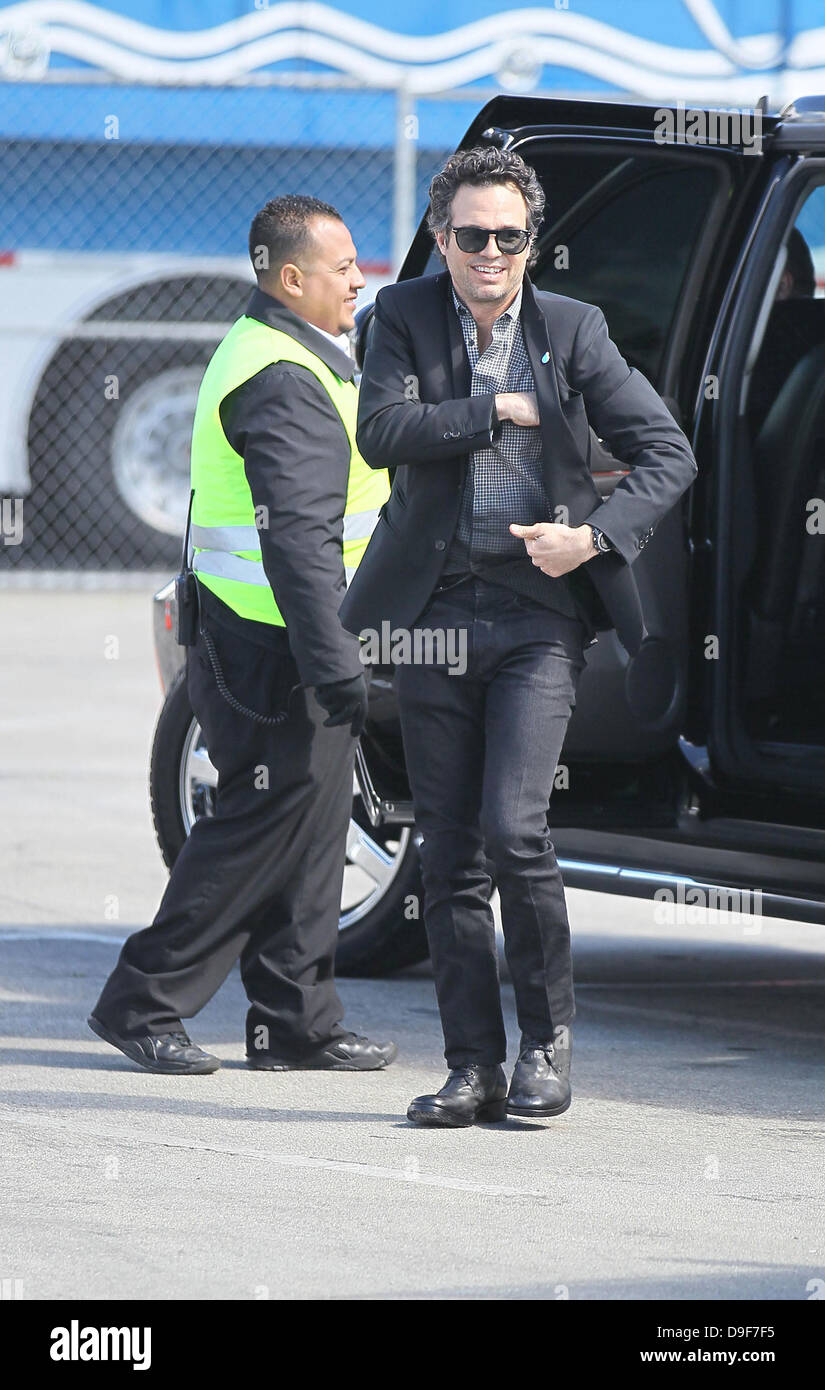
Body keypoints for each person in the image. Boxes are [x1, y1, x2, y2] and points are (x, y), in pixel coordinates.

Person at [340, 147, 697, 1127]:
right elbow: (383, 433)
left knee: (514, 829)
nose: (488, 252)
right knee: (447, 850)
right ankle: (472, 1066)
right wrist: (488, 410)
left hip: (537, 618)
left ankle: (547, 1044)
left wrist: (591, 538)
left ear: (533, 243)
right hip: (434, 615)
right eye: (469, 235)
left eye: (507, 236)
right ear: (443, 239)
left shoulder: (573, 329)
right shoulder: (404, 317)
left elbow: (668, 451)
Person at [89, 195, 394, 1076]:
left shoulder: (299, 351)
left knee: (311, 826)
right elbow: (296, 539)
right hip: (270, 641)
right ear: (291, 278)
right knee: (258, 826)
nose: (358, 279)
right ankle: (141, 999)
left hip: (282, 632)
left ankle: (295, 1022)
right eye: (342, 268)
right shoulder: (280, 376)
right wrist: (337, 664)